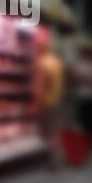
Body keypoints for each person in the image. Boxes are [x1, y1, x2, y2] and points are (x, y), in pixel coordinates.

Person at [31, 27, 66, 165]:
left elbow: (40, 87)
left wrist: (36, 105)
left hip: (47, 103)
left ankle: (52, 160)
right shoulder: (56, 62)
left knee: (48, 134)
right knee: (55, 132)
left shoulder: (42, 64)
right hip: (57, 101)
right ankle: (58, 158)